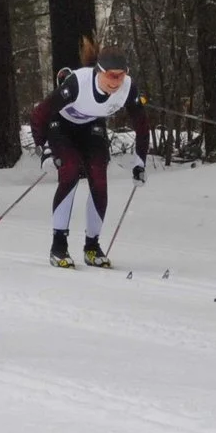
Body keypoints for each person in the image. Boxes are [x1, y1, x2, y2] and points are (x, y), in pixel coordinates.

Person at [28, 42, 150, 269]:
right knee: (71, 171)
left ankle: (92, 247)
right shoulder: (78, 83)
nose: (116, 82)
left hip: (91, 125)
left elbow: (141, 125)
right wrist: (42, 148)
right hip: (60, 125)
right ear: (99, 71)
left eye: (121, 76)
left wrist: (140, 163)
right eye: (111, 76)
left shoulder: (127, 88)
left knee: (98, 176)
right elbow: (39, 114)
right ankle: (59, 245)